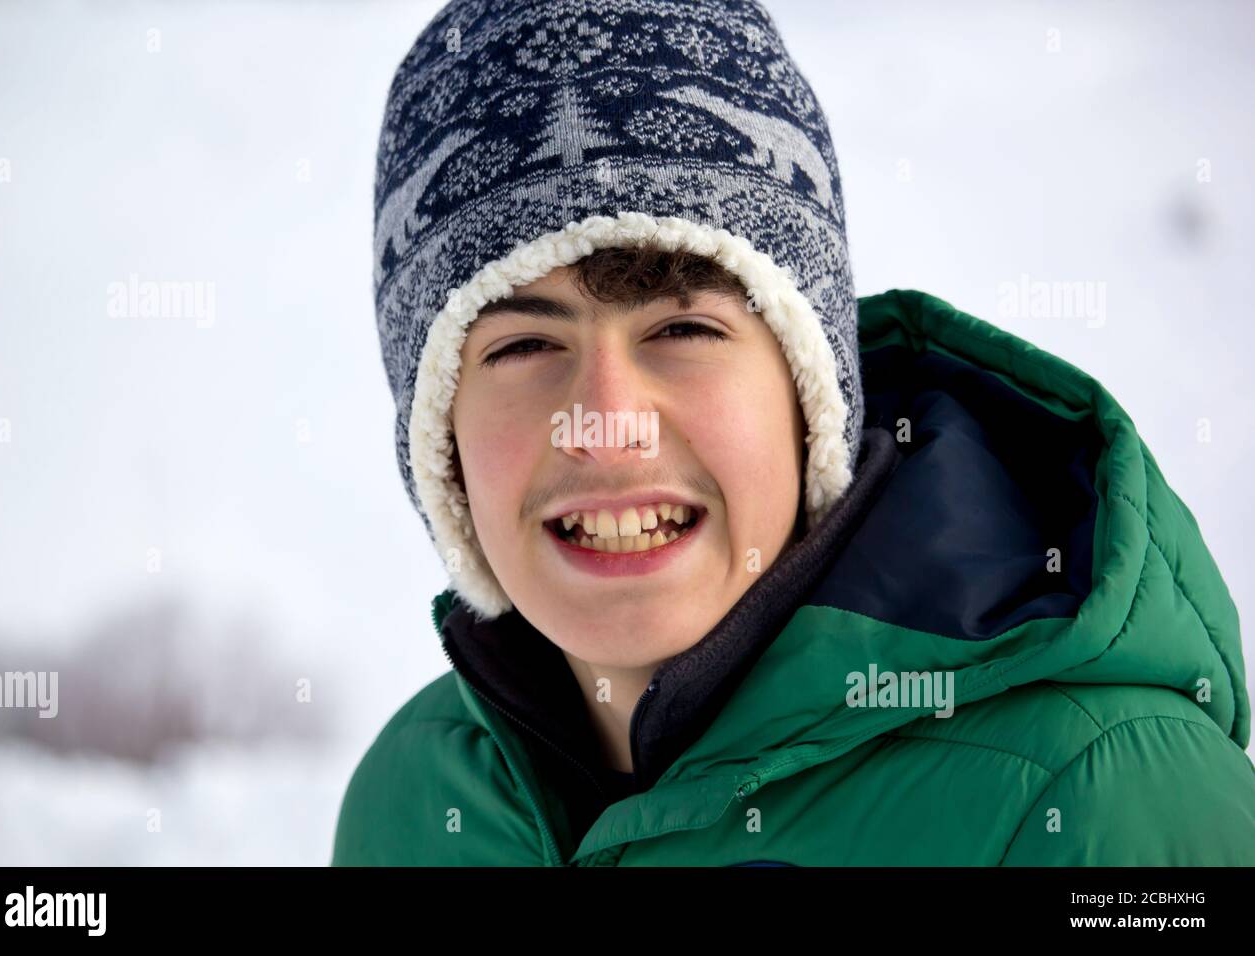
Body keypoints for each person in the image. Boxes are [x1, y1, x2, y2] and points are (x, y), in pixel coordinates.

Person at [332, 0, 1255, 866]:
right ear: (438, 438)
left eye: (683, 329)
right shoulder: (412, 803)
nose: (605, 427)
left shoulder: (1105, 803)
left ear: (811, 396)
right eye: (525, 344)